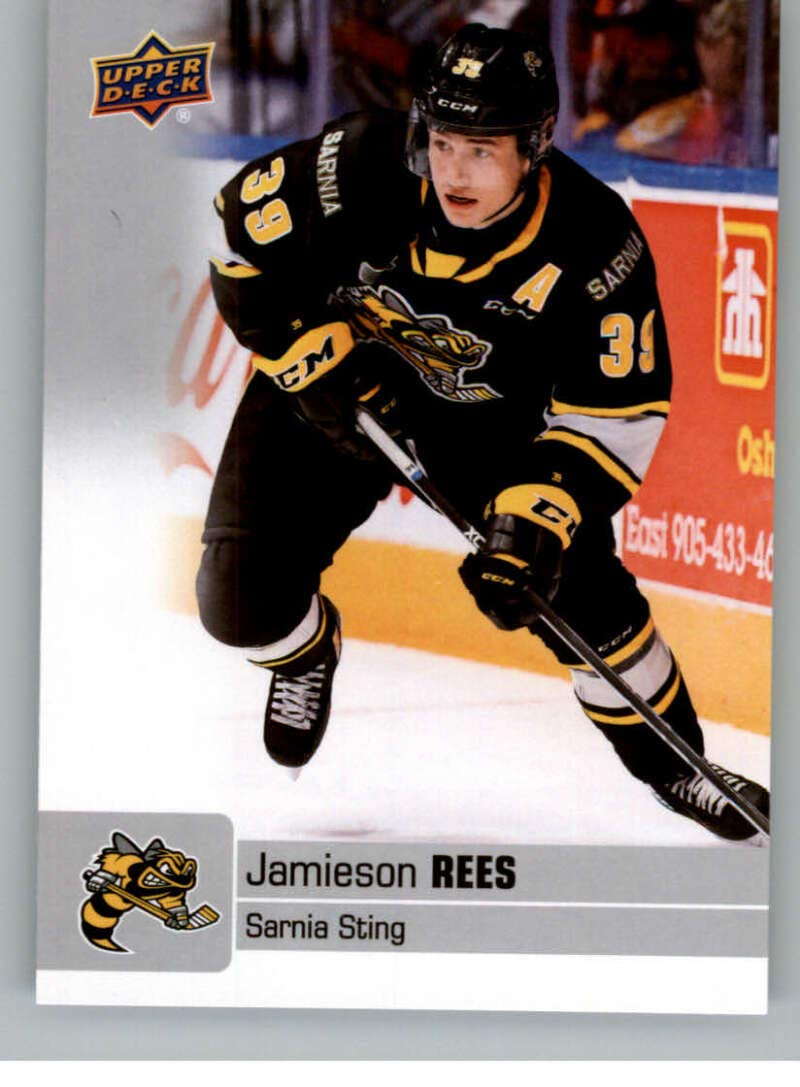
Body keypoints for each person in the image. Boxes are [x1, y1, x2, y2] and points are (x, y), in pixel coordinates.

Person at [198, 23, 768, 840]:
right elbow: (235, 235)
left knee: (573, 591)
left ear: (536, 145)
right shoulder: (358, 166)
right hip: (338, 386)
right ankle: (304, 649)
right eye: (442, 143)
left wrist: (538, 513)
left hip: (487, 426)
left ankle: (679, 767)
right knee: (236, 605)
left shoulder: (594, 240)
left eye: (481, 150)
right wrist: (297, 350)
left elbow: (617, 410)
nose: (454, 172)